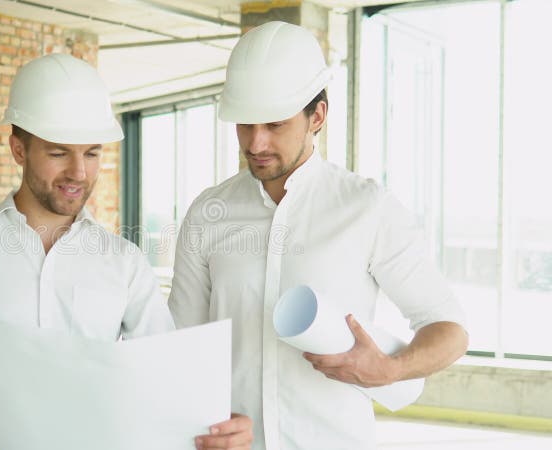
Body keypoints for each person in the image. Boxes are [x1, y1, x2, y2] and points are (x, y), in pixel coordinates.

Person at [0, 53, 252, 450]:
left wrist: (217, 427)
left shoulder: (124, 263)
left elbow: (165, 383)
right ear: (19, 149)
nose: (78, 173)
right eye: (58, 153)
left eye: (91, 153)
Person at [168, 21, 469, 450]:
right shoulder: (207, 214)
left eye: (274, 124)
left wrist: (390, 369)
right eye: (244, 124)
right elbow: (181, 347)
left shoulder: (368, 209)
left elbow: (450, 330)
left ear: (318, 117)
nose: (255, 142)